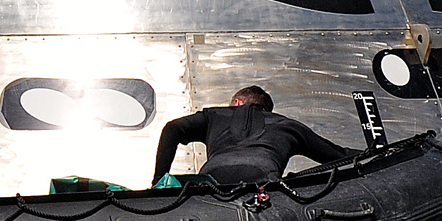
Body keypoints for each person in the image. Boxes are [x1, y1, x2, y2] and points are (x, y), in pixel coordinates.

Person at [149, 86, 357, 187]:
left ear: (238, 103)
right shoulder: (289, 125)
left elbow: (172, 129)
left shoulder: (213, 115)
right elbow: (338, 155)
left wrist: (159, 181)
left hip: (212, 177)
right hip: (263, 179)